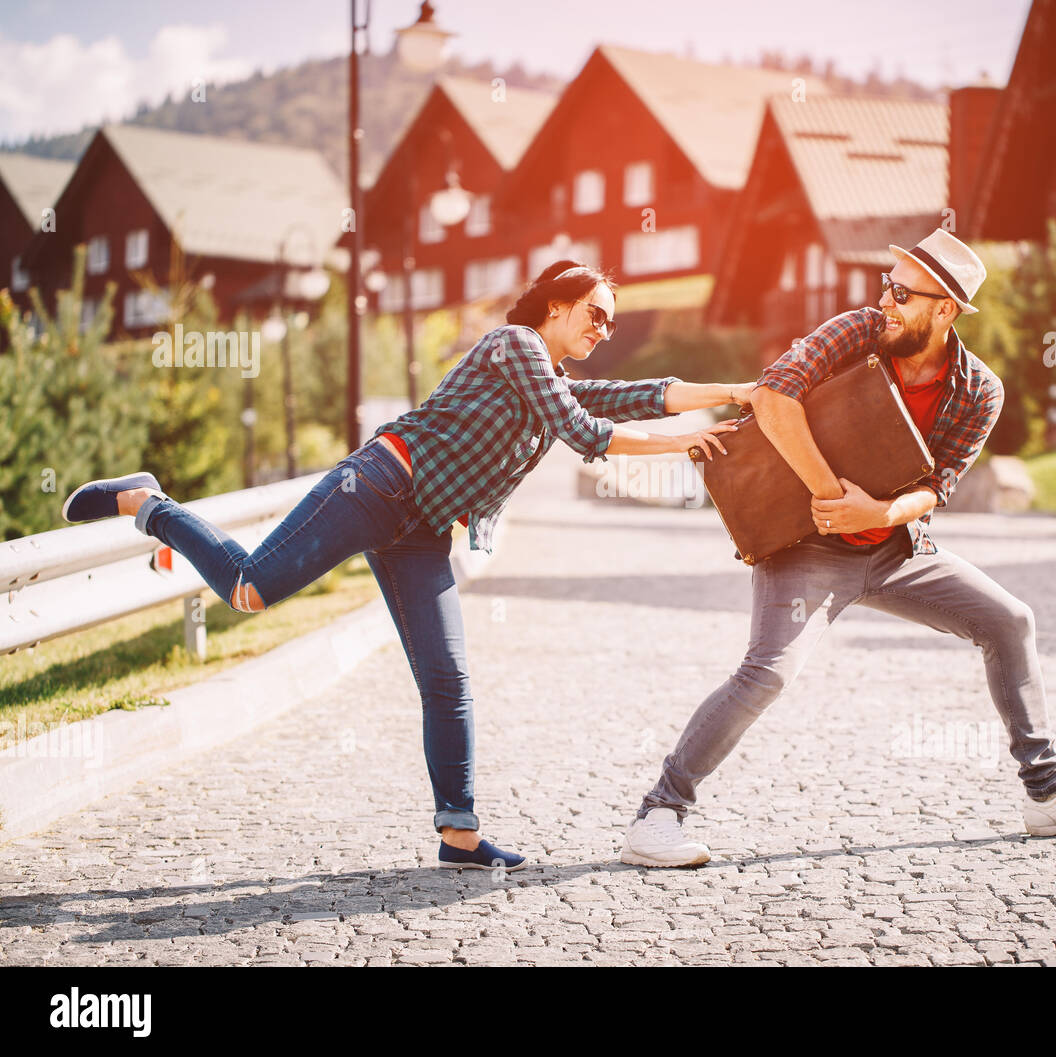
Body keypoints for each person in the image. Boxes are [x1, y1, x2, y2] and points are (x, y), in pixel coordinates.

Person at [62, 260, 753, 872]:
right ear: (557, 306)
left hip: (421, 528)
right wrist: (686, 444)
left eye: (610, 321)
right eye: (596, 314)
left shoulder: (554, 380)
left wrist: (738, 392)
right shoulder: (517, 345)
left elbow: (641, 393)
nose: (604, 329)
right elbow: (588, 434)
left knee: (448, 676)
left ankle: (459, 833)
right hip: (376, 486)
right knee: (247, 589)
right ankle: (150, 501)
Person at [620, 229, 1056, 868]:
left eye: (902, 292)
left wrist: (879, 513)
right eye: (886, 286)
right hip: (805, 544)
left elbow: (936, 486)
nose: (885, 301)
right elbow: (773, 396)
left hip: (899, 550)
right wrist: (831, 499)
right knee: (768, 672)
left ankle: (1048, 794)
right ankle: (659, 814)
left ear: (943, 309)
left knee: (1010, 621)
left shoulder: (979, 391)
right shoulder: (856, 332)